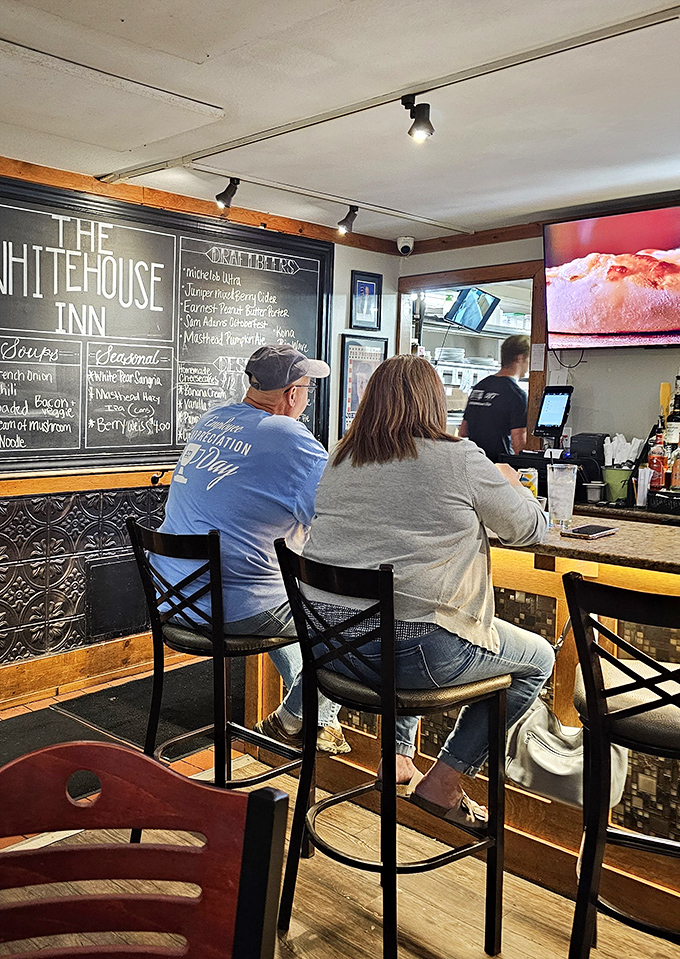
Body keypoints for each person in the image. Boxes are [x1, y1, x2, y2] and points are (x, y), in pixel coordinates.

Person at [302, 354, 554, 827]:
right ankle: (444, 781)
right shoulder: (458, 458)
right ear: (434, 403)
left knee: (405, 609)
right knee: (538, 659)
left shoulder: (339, 456)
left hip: (329, 652)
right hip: (411, 655)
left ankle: (397, 757)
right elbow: (529, 530)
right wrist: (511, 481)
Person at [156, 343, 350, 755]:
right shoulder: (288, 435)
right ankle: (299, 718)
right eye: (307, 389)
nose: (306, 398)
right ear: (291, 394)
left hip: (173, 602)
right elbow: (338, 514)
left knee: (288, 603)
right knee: (346, 619)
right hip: (231, 610)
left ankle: (313, 722)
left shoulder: (212, 419)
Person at [459, 333, 530, 461]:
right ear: (520, 358)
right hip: (499, 466)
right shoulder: (517, 394)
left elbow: (463, 431)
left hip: (475, 462)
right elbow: (518, 441)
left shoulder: (480, 386)